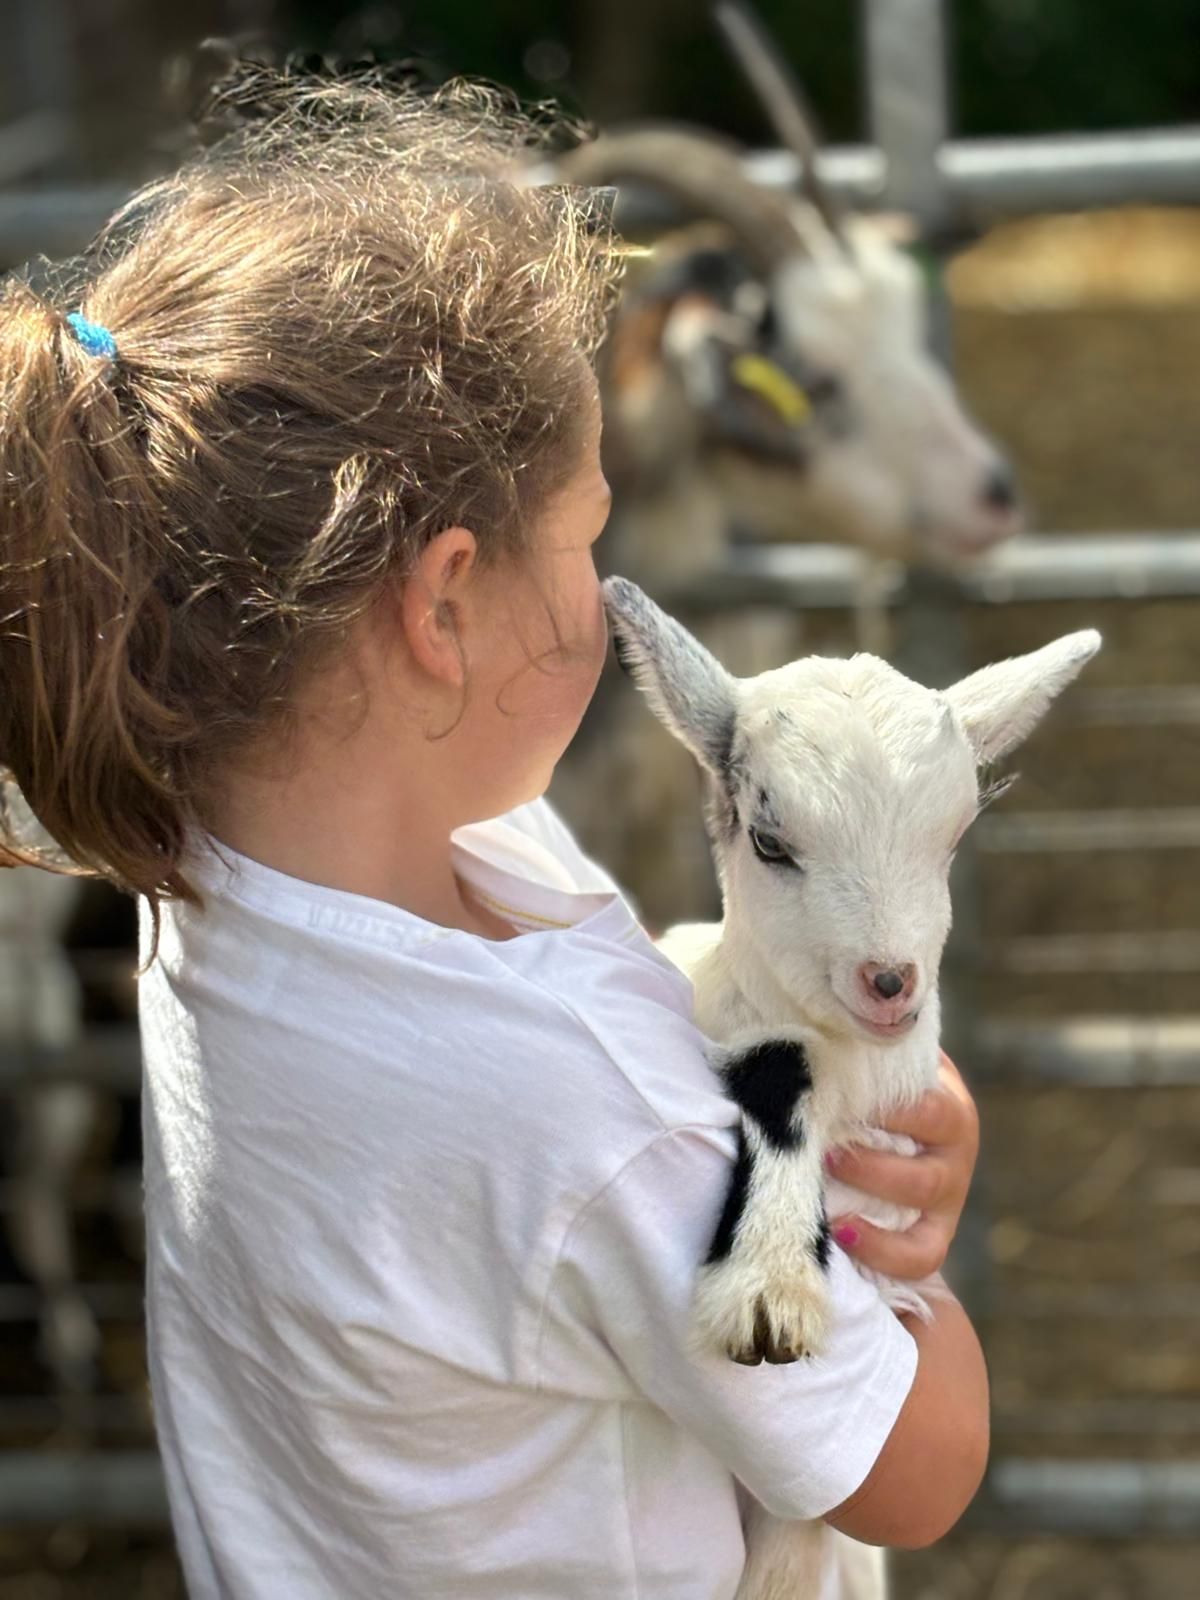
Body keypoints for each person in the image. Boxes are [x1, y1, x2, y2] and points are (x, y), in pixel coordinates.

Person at [0, 65, 987, 1599]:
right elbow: (915, 1468)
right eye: (589, 532)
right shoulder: (583, 1107)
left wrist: (857, 1097)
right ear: (446, 605)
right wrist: (910, 1276)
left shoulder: (215, 879)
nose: (610, 582)